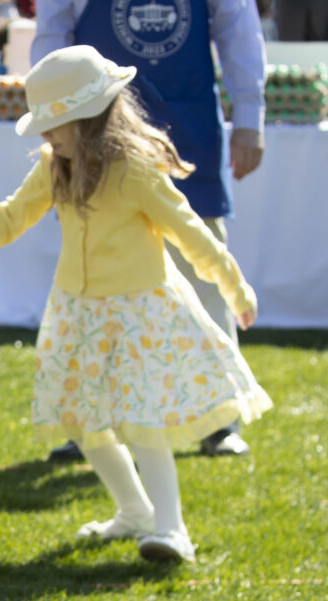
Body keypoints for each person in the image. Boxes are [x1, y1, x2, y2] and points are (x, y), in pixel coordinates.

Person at [0, 46, 271, 562]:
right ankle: (134, 512)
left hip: (138, 315)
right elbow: (5, 220)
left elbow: (193, 235)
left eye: (54, 125)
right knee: (81, 418)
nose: (46, 137)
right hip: (78, 313)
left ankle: (172, 529)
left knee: (143, 422)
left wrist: (236, 289)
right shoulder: (58, 167)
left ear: (87, 118)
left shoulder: (137, 171)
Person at [30, 0, 266, 460]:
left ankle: (220, 422)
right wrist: (50, 113)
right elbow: (51, 35)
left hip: (189, 120)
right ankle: (90, 425)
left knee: (203, 269)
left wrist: (249, 118)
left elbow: (239, 31)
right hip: (92, 128)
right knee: (94, 287)